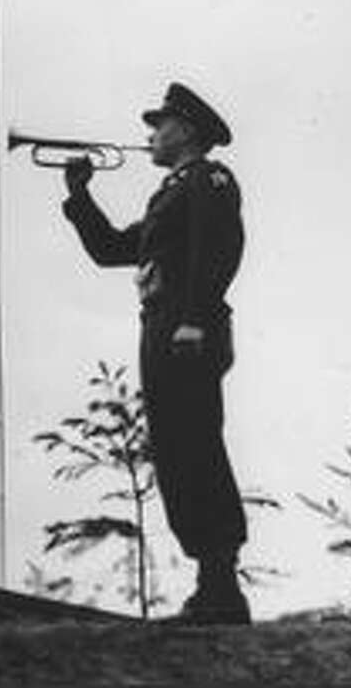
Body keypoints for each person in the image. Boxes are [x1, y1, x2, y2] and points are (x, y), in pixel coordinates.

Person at [59, 83, 251, 625]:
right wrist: (79, 195)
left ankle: (221, 586)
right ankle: (212, 586)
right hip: (163, 326)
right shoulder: (171, 194)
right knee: (174, 449)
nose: (150, 135)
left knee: (195, 444)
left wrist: (194, 318)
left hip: (186, 325)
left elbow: (217, 250)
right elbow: (111, 250)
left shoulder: (208, 180)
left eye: (159, 125)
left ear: (185, 130)